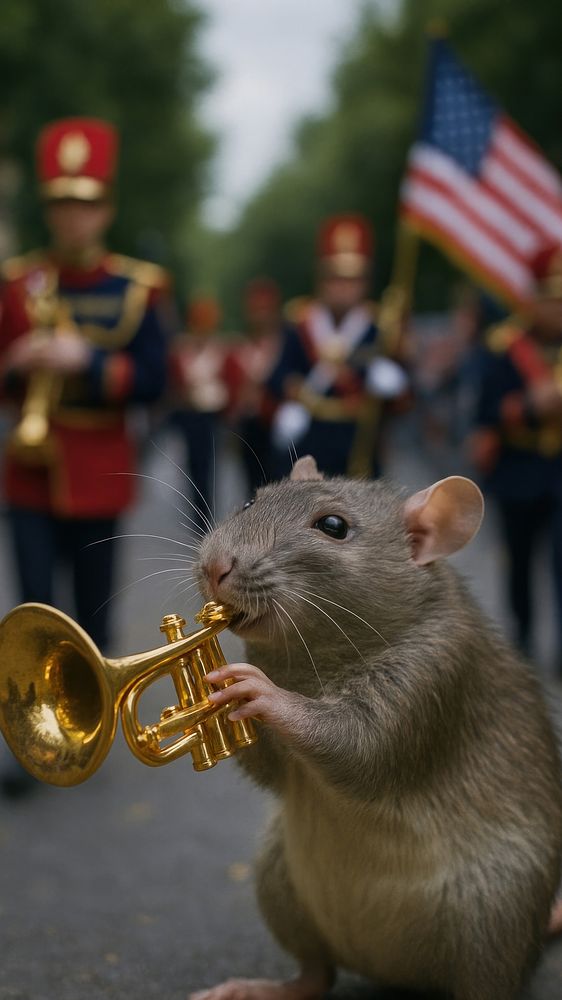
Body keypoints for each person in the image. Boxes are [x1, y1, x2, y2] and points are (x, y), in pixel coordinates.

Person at [0, 117, 170, 795]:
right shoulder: (15, 285)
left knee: (94, 615)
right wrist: (15, 361)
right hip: (28, 474)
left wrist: (90, 361)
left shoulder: (141, 287)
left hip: (101, 472)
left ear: (107, 209)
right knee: (36, 607)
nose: (75, 217)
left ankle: (86, 726)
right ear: (50, 209)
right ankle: (30, 743)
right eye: (63, 203)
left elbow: (159, 378)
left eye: (87, 203)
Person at [471, 242, 562, 670]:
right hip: (521, 470)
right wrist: (528, 407)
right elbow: (485, 411)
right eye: (552, 298)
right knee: (521, 562)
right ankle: (523, 638)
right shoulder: (505, 348)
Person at [268, 214, 408, 479]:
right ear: (322, 281)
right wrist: (291, 397)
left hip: (359, 442)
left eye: (352, 280)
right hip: (309, 437)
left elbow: (403, 397)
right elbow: (277, 375)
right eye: (335, 279)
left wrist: (394, 380)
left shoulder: (378, 329)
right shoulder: (300, 324)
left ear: (365, 284)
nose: (343, 288)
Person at [223, 277, 288, 494]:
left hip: (279, 425)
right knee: (253, 487)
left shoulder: (286, 345)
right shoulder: (240, 347)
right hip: (249, 427)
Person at [167, 296, 228, 525]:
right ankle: (198, 513)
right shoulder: (182, 348)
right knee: (192, 464)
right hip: (189, 414)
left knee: (209, 464)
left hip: (211, 415)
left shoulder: (219, 348)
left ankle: (206, 511)